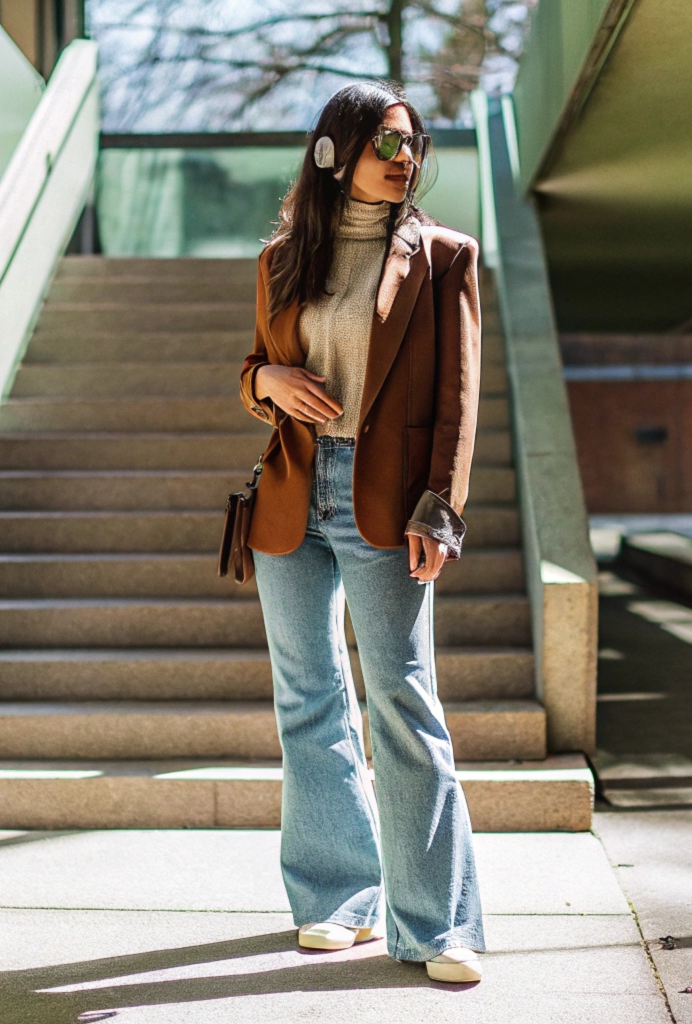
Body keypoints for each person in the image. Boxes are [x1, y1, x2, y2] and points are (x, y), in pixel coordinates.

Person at [236, 81, 485, 984]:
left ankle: (438, 924)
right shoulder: (280, 260)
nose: (404, 158)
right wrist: (266, 387)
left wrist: (442, 511)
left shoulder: (444, 257)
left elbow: (457, 402)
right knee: (308, 702)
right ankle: (336, 902)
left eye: (412, 144)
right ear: (336, 152)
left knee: (404, 703)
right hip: (293, 496)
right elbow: (255, 369)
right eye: (386, 143)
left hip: (389, 501)